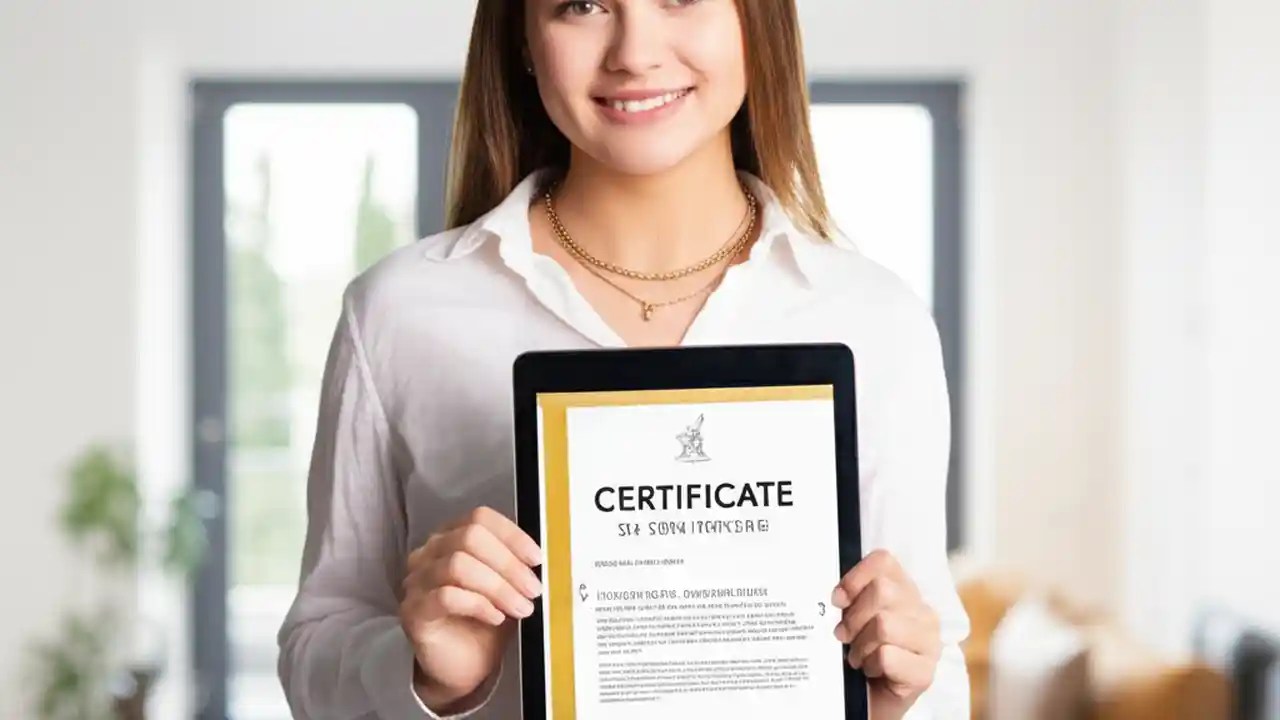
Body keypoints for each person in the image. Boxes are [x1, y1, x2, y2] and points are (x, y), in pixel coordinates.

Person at [276, 0, 970, 718]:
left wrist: (892, 696)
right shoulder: (400, 311)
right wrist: (426, 674)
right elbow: (314, 651)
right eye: (583, 5)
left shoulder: (876, 320)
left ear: (757, 22)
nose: (635, 53)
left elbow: (936, 667)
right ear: (522, 39)